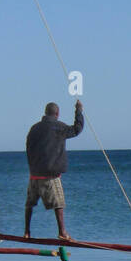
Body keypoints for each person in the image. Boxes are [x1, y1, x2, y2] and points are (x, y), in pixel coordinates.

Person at [24, 100, 84, 240]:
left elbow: (28, 146)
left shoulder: (34, 128)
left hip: (34, 174)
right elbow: (77, 129)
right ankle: (62, 232)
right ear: (57, 114)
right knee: (59, 204)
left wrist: (33, 166)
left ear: (45, 113)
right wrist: (79, 111)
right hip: (50, 174)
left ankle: (26, 232)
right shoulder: (59, 127)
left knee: (30, 204)